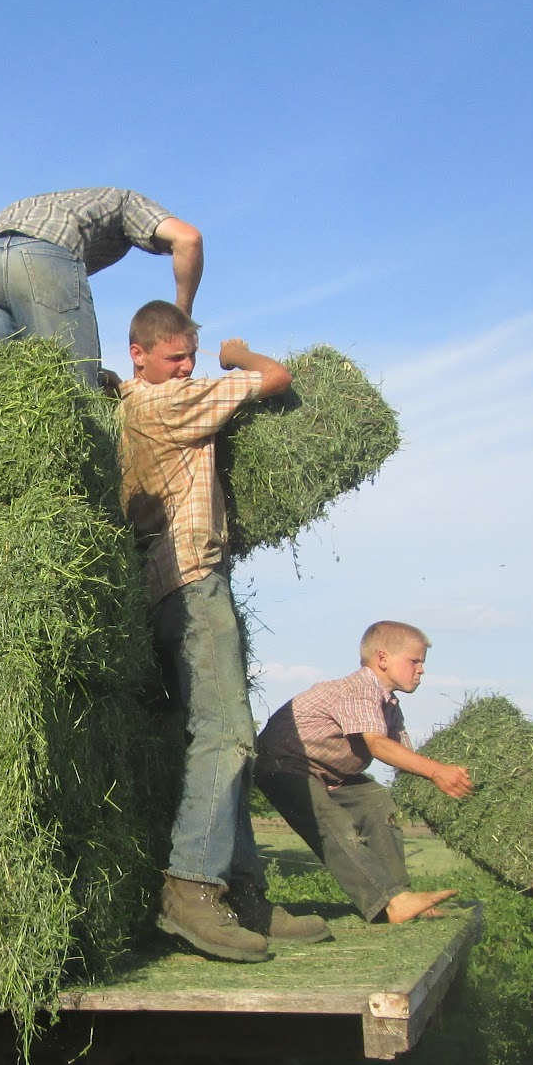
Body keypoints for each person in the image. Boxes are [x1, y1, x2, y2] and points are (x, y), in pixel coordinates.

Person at [119, 300, 332, 961]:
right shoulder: (170, 403)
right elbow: (278, 378)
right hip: (193, 580)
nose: (185, 369)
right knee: (227, 735)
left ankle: (245, 896)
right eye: (175, 357)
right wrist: (234, 354)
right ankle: (192, 889)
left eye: (191, 358)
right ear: (140, 355)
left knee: (217, 737)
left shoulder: (121, 409)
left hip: (156, 588)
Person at [255, 622, 475, 925]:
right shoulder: (358, 690)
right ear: (382, 658)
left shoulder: (390, 706)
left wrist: (447, 779)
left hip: (331, 774)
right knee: (332, 824)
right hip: (284, 764)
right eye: (415, 661)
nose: (421, 670)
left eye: (422, 663)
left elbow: (403, 756)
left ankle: (401, 897)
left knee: (379, 803)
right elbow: (378, 745)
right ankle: (391, 901)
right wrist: (437, 771)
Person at [0, 189, 203, 388]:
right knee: (72, 391)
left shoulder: (51, 205)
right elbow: (188, 239)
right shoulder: (126, 202)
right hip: (45, 251)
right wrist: (183, 316)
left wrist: (98, 375)